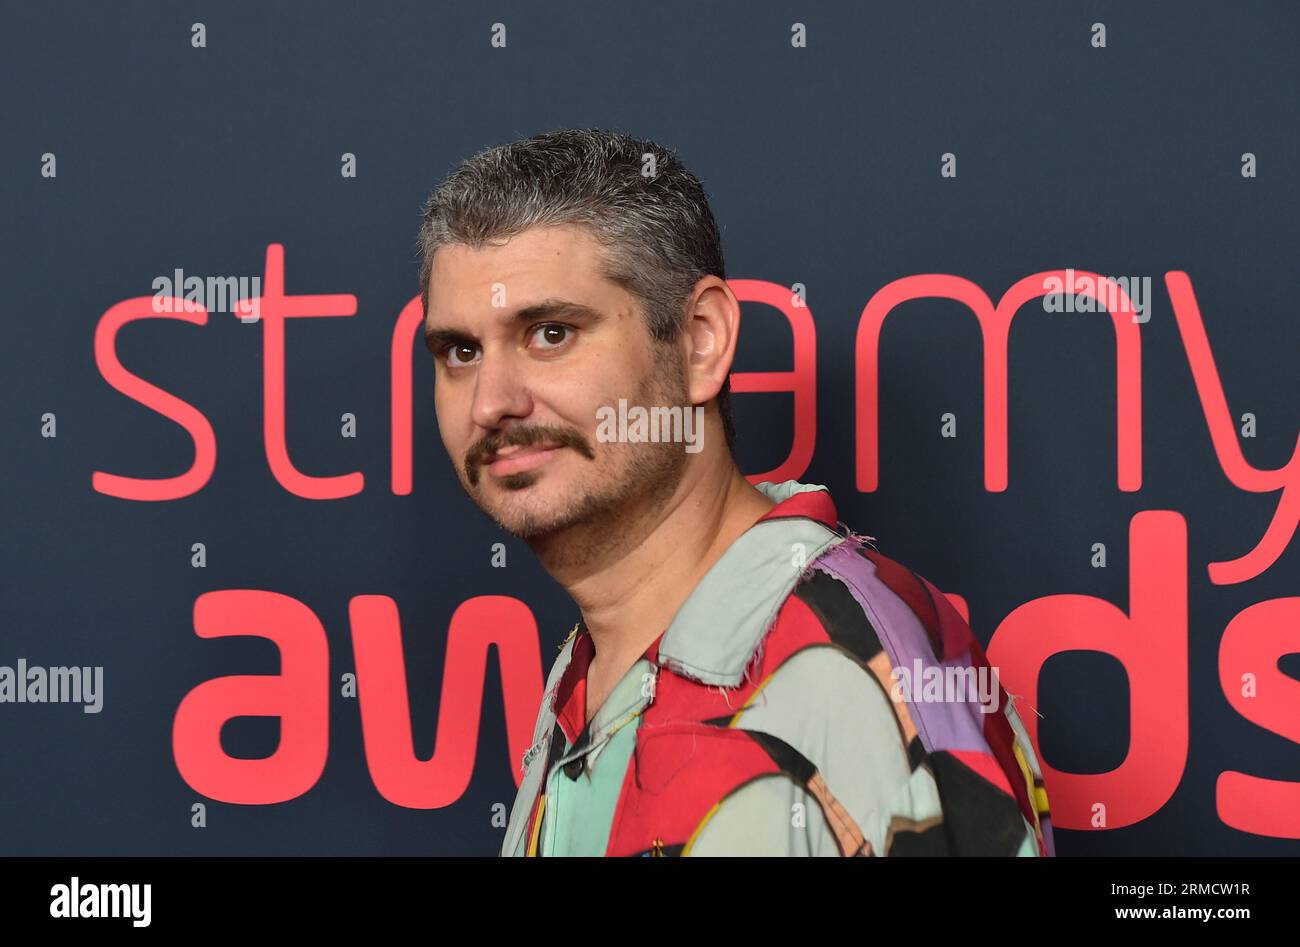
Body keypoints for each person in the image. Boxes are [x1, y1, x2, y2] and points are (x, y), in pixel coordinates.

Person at [416, 128, 1054, 857]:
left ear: (701, 342)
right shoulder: (593, 665)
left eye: (551, 332)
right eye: (461, 351)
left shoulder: (853, 674)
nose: (491, 401)